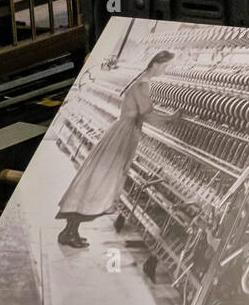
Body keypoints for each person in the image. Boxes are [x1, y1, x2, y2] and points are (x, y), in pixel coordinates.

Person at [55, 50, 175, 248]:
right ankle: (70, 232)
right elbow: (148, 114)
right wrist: (173, 118)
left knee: (94, 180)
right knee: (99, 182)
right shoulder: (143, 84)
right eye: (165, 66)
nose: (165, 70)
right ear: (156, 63)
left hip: (123, 132)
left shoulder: (140, 80)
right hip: (124, 135)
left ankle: (70, 231)